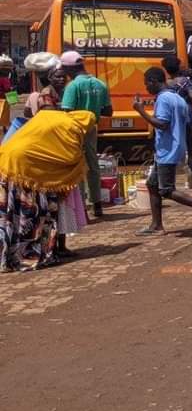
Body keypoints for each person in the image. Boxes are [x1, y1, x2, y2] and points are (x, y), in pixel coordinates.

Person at [0, 109, 94, 271]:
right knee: (32, 215)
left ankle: (9, 253)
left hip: (8, 160)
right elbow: (69, 159)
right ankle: (27, 253)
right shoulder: (71, 129)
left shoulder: (55, 118)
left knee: (11, 214)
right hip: (26, 168)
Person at [133, 67, 192, 236]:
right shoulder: (178, 99)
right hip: (173, 148)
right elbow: (188, 129)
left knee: (166, 189)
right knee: (152, 185)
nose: (146, 88)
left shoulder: (164, 99)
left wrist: (141, 110)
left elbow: (162, 124)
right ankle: (156, 225)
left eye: (146, 84)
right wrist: (190, 153)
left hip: (168, 150)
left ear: (153, 81)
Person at [59, 50, 111, 218]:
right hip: (92, 129)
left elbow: (67, 111)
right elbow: (108, 111)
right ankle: (97, 206)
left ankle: (81, 210)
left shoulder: (72, 86)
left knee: (78, 169)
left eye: (64, 70)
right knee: (93, 166)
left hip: (75, 131)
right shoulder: (100, 84)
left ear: (70, 69)